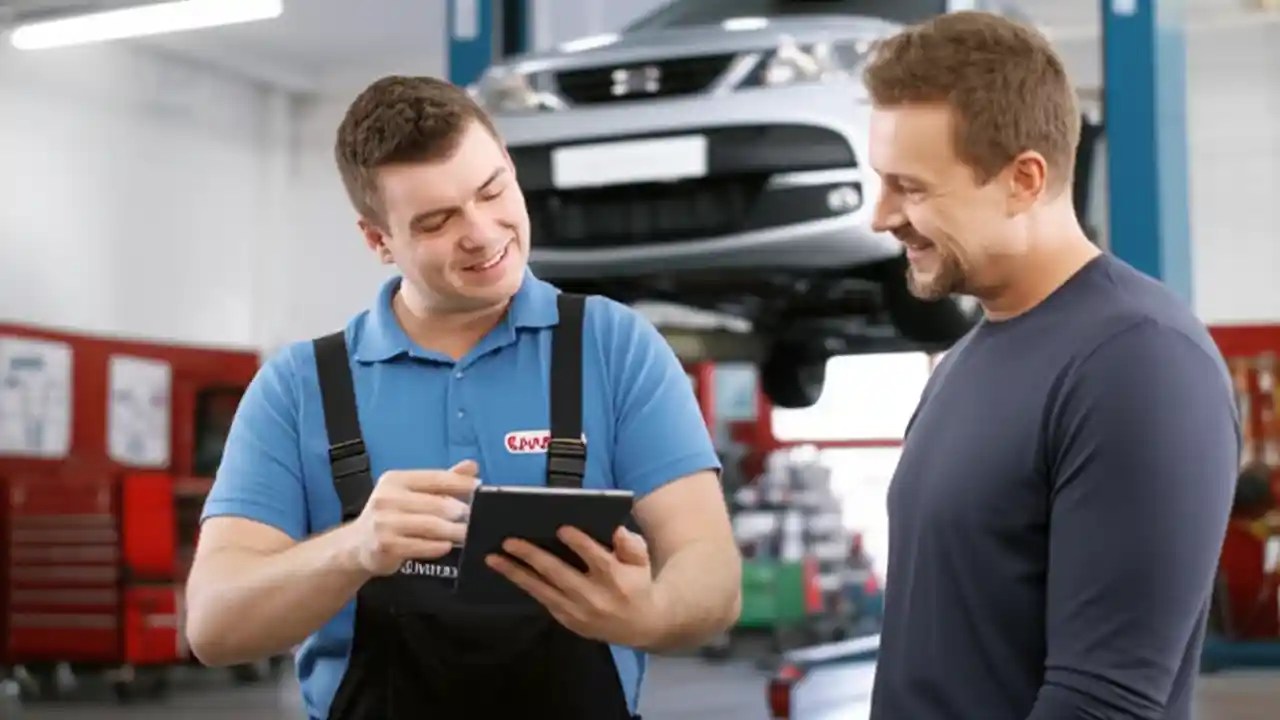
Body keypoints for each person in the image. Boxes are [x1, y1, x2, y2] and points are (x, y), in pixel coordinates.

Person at [183, 75, 742, 720]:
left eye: (492, 190)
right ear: (378, 240)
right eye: (438, 221)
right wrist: (355, 548)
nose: (481, 232)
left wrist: (651, 612)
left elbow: (713, 575)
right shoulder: (300, 387)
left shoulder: (613, 348)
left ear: (508, 164)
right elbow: (214, 626)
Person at [862, 12, 1239, 720]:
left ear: (1023, 180)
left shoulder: (1139, 363)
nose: (880, 217)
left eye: (909, 187)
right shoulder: (965, 362)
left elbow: (1102, 702)